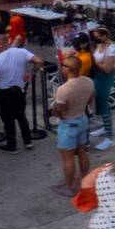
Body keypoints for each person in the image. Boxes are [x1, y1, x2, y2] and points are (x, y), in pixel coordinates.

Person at [49, 53, 95, 197]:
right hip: (82, 119)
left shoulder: (64, 89)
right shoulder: (88, 81)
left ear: (68, 69)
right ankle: (84, 179)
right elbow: (90, 99)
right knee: (82, 152)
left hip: (69, 123)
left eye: (63, 66)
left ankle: (69, 186)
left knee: (67, 157)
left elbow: (59, 109)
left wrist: (56, 112)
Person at [0, 33, 35, 152]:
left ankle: (12, 145)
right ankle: (28, 141)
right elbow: (39, 61)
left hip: (4, 94)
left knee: (8, 121)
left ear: (1, 44)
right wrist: (32, 73)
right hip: (19, 90)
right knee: (21, 117)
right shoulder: (21, 52)